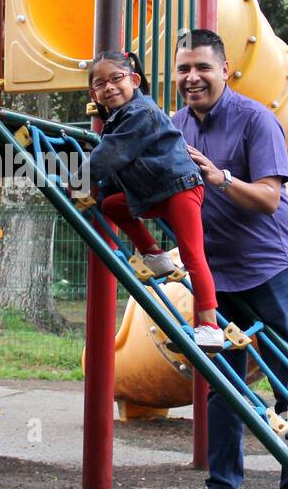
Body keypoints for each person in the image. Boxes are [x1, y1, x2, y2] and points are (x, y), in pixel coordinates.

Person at [170, 28, 288, 489]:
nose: (193, 78)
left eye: (203, 68)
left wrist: (220, 177)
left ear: (225, 71)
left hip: (265, 270)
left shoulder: (257, 121)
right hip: (212, 278)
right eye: (184, 69)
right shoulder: (174, 127)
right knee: (222, 384)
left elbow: (269, 198)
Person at [85, 51, 224, 351]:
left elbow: (111, 154)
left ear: (134, 80)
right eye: (100, 84)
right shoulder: (119, 119)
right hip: (154, 190)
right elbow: (113, 168)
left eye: (116, 79)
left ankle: (210, 327)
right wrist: (97, 188)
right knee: (112, 206)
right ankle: (153, 253)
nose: (108, 87)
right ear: (93, 93)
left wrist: (78, 179)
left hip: (180, 187)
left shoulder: (141, 113)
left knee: (193, 255)